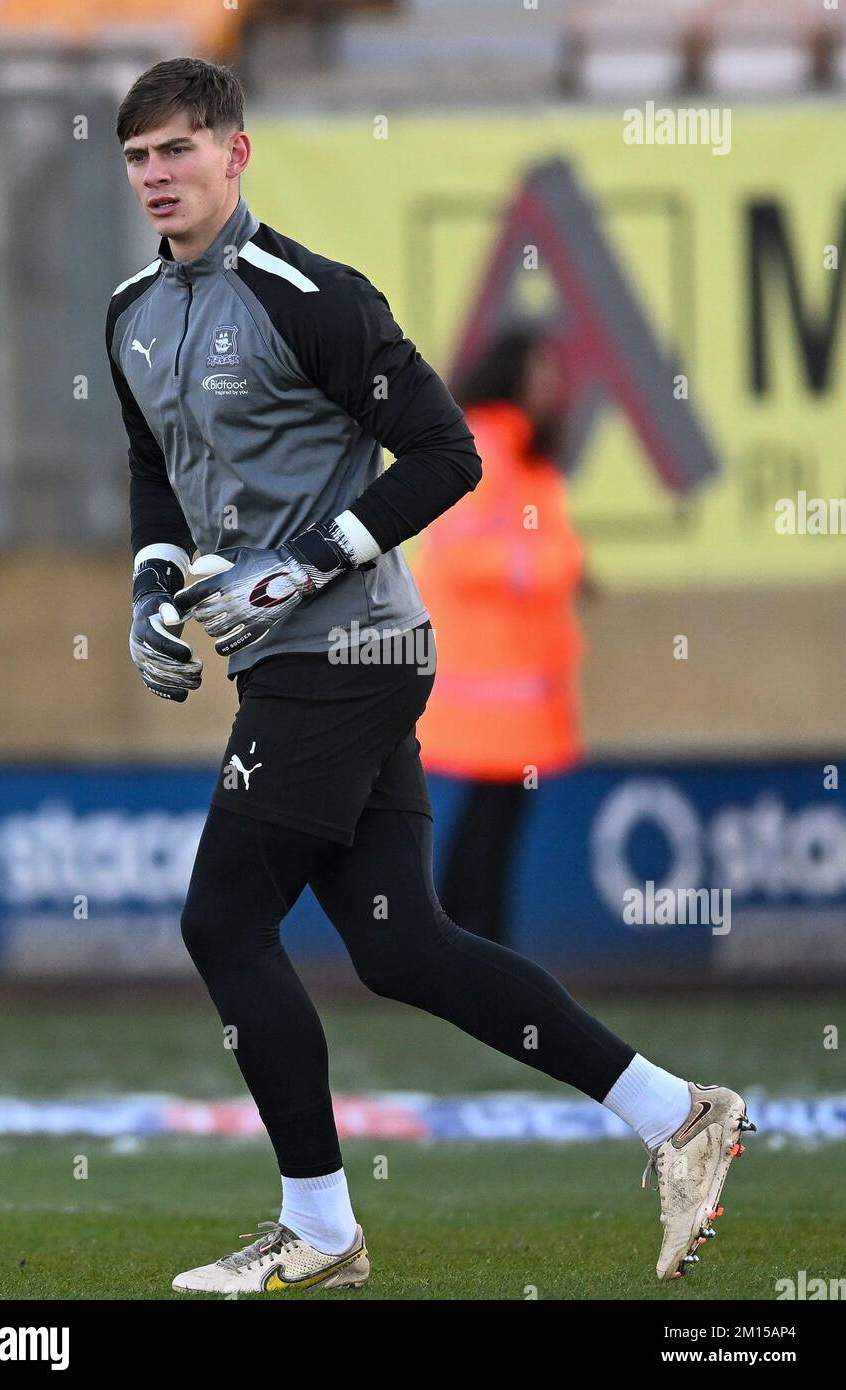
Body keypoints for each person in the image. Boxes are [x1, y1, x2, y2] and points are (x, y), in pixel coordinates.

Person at [106, 56, 754, 1294]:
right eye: (137, 157)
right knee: (402, 944)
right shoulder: (132, 309)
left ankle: (322, 1228)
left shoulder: (312, 295)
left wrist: (300, 567)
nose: (155, 176)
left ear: (234, 154)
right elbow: (153, 465)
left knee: (222, 919)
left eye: (178, 150)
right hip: (297, 659)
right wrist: (150, 584)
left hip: (345, 650)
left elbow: (447, 454)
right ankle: (677, 1112)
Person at [414, 328, 585, 945]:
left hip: (518, 689)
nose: (552, 389)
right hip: (493, 691)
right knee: (490, 822)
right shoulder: (485, 447)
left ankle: (472, 944)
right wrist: (549, 566)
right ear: (510, 375)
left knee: (497, 819)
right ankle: (469, 944)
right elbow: (457, 553)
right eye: (541, 375)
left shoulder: (521, 454)